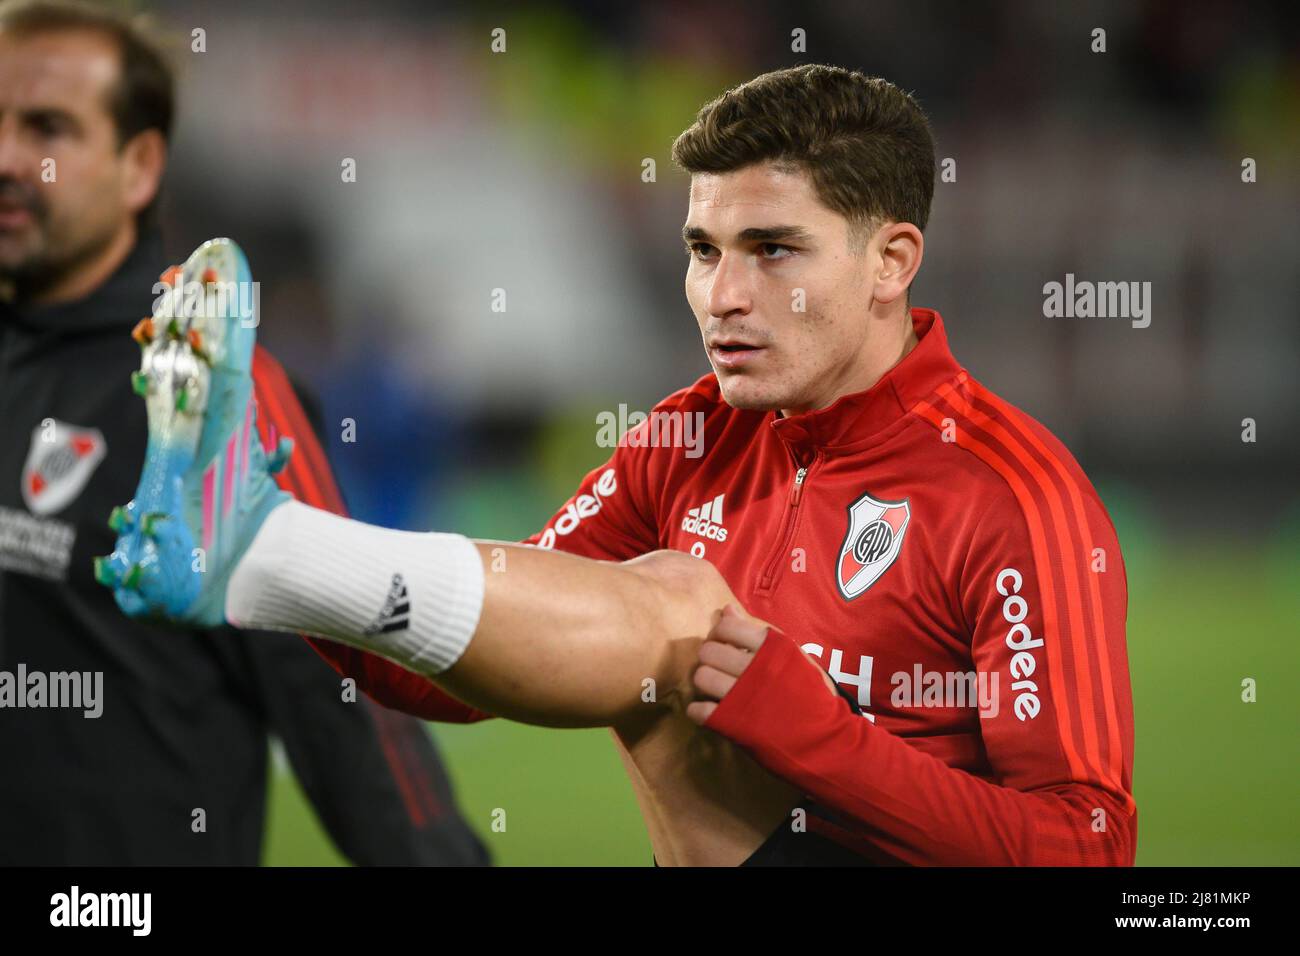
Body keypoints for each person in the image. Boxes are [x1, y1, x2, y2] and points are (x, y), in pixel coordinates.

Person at [102, 64, 1136, 866]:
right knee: (641, 603)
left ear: (890, 262)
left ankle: (265, 541)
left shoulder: (1011, 491)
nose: (721, 294)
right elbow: (468, 674)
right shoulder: (689, 437)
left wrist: (818, 734)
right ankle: (257, 549)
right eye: (700, 248)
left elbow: (1087, 846)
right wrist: (295, 593)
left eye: (772, 249)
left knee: (684, 607)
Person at [0, 0, 487, 866]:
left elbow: (344, 700)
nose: (6, 157)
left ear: (139, 164)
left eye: (47, 128)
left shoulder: (200, 383)